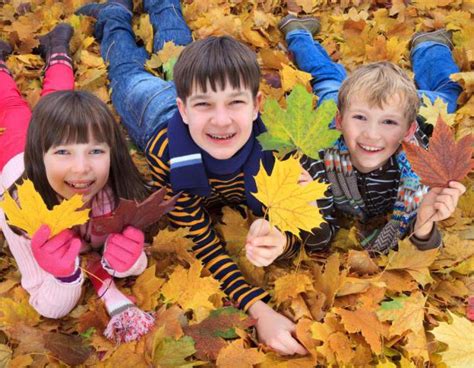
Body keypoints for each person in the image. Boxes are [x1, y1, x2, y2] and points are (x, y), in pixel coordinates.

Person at [75, 0, 307, 355]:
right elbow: (202, 241)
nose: (221, 120)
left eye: (235, 103)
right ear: (185, 109)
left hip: (190, 110)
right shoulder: (166, 154)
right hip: (153, 110)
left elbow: (301, 222)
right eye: (203, 105)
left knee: (177, 54)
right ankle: (115, 14)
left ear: (258, 104)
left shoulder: (277, 146)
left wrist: (284, 240)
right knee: (127, 73)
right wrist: (259, 311)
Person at [244, 16, 466, 266]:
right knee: (326, 82)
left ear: (408, 130)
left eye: (388, 123)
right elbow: (319, 237)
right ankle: (299, 33)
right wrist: (310, 209)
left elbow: (424, 250)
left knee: (448, 98)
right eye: (361, 119)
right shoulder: (317, 155)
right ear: (340, 121)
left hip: (410, 103)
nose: (372, 134)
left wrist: (425, 224)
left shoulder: (421, 168)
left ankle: (430, 47)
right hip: (339, 107)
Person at [0, 24, 155, 343]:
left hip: (45, 144)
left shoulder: (112, 188)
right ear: (41, 156)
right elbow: (48, 306)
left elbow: (131, 254)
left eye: (95, 150)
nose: (82, 168)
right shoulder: (18, 209)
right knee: (11, 109)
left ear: (112, 153)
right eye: (65, 153)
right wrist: (64, 276)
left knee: (57, 97)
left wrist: (131, 260)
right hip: (14, 156)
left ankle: (55, 47)